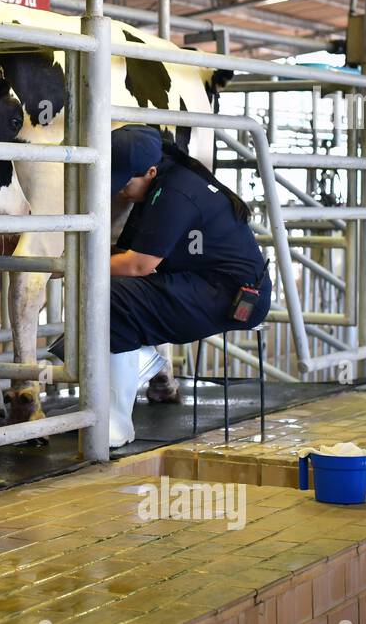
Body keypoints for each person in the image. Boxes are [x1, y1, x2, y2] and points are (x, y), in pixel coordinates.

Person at [100, 124, 272, 446]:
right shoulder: (165, 182)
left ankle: (116, 423)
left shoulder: (175, 192)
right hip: (208, 285)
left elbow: (138, 265)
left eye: (125, 182)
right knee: (109, 296)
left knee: (110, 297)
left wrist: (74, 267)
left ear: (150, 171)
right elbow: (128, 256)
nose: (120, 191)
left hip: (232, 297)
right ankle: (140, 364)